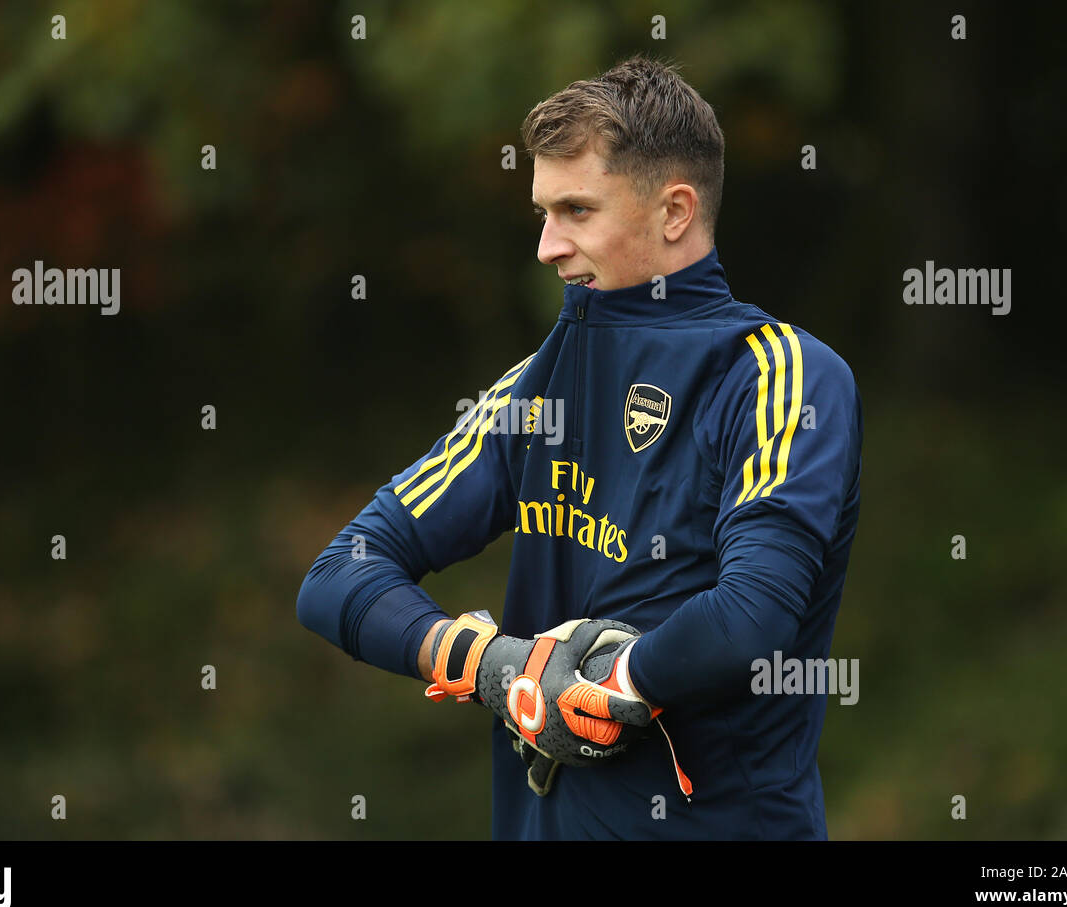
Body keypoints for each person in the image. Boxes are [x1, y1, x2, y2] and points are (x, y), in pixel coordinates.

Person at [297, 54, 862, 840]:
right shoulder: (535, 388)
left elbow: (750, 618)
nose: (547, 246)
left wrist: (611, 681)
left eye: (576, 211)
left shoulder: (781, 376)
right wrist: (487, 664)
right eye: (542, 212)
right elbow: (338, 573)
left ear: (674, 212)